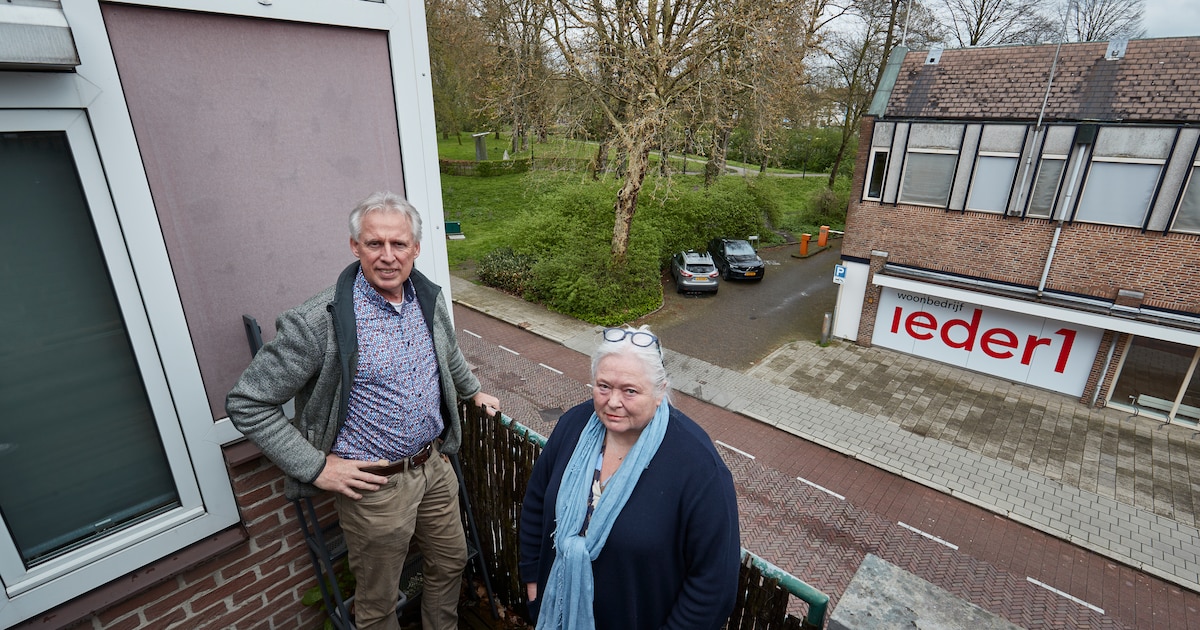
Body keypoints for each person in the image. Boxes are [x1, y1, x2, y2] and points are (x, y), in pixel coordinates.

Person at [226, 191, 500, 630]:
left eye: (398, 243)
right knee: (378, 601)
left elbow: (447, 353)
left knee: (450, 562)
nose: (388, 256)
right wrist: (316, 467)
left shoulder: (427, 297)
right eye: (375, 243)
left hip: (434, 465)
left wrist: (474, 391)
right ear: (355, 246)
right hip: (375, 487)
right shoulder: (319, 320)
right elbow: (247, 402)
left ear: (415, 248)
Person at [518, 326, 741, 630]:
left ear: (660, 392)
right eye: (604, 386)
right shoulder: (574, 426)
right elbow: (536, 502)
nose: (613, 401)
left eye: (630, 391)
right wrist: (534, 582)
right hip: (555, 614)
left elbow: (714, 585)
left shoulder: (699, 467)